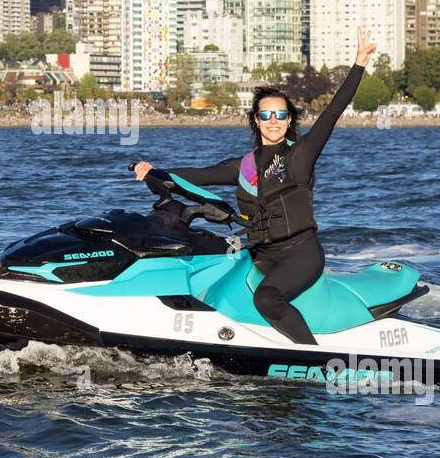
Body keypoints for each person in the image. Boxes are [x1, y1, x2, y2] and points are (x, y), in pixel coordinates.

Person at [132, 28, 376, 344]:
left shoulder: (301, 154)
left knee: (267, 297)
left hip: (300, 254)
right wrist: (155, 171)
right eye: (266, 114)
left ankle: (312, 355)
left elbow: (333, 112)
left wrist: (358, 64)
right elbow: (200, 175)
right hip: (262, 253)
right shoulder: (243, 166)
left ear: (289, 120)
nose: (273, 120)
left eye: (280, 115)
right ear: (256, 120)